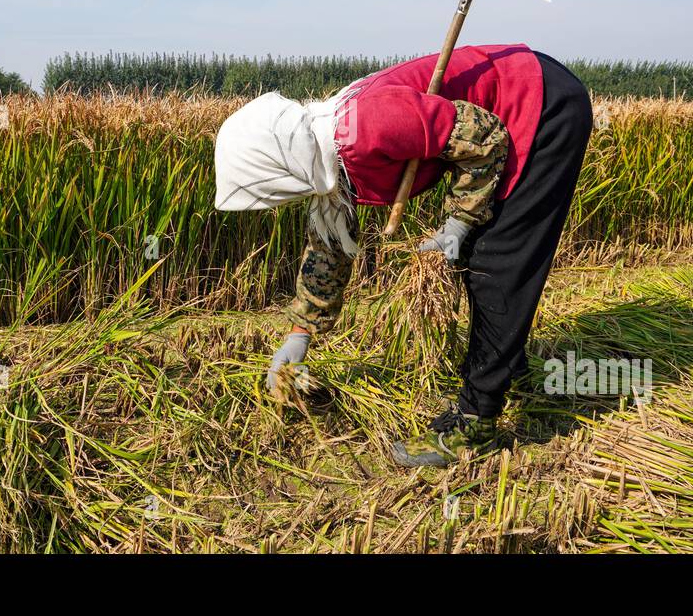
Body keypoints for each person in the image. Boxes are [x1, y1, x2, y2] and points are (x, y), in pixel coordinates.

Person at [214, 44, 592, 467]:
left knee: (494, 262)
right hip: (512, 112)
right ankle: (510, 368)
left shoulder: (366, 126)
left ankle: (475, 424)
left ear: (281, 163)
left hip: (539, 105)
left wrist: (458, 226)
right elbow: (330, 242)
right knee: (477, 257)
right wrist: (300, 333)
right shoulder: (324, 150)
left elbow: (486, 138)